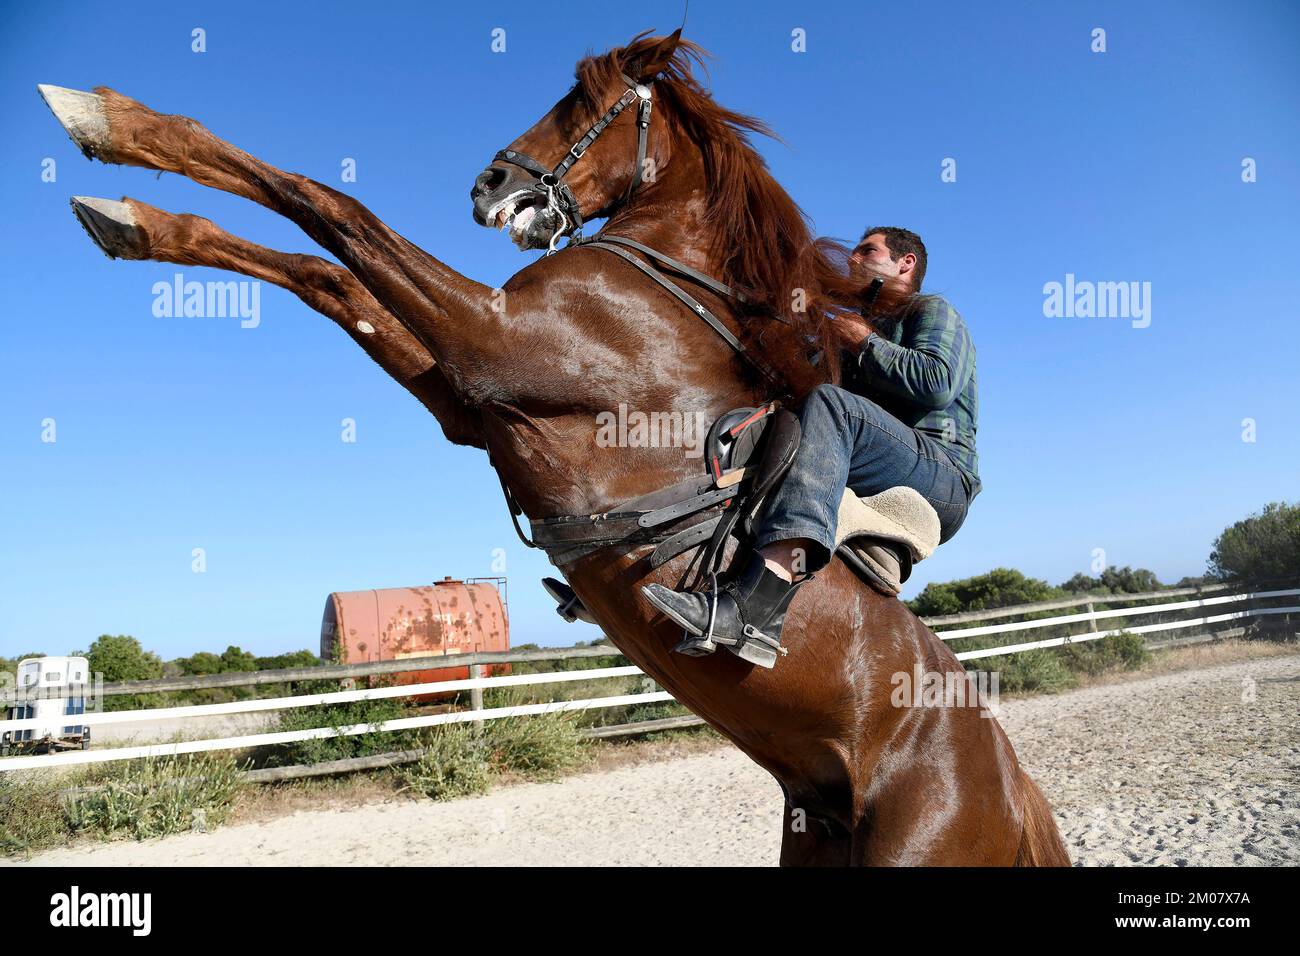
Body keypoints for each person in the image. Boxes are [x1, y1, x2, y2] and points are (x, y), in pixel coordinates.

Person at [643, 227, 981, 666]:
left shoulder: (929, 310)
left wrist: (862, 340)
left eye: (867, 250)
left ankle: (757, 608)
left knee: (831, 407)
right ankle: (648, 555)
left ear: (906, 263)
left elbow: (934, 384)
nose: (853, 259)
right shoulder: (856, 332)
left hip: (943, 477)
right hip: (875, 462)